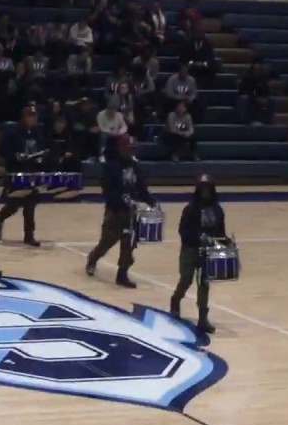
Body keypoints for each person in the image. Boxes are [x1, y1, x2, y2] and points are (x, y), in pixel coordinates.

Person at [85, 136, 157, 288]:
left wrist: (151, 201)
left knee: (129, 244)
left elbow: (141, 187)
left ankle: (122, 274)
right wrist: (119, 200)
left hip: (131, 212)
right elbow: (107, 190)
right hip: (115, 211)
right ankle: (93, 259)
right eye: (128, 149)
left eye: (133, 149)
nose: (131, 152)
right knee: (107, 242)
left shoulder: (135, 166)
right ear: (121, 149)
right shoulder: (111, 166)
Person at [170, 176, 224, 335]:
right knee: (186, 280)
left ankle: (202, 317)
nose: (206, 192)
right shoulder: (190, 209)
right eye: (203, 188)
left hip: (207, 252)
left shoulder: (217, 210)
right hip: (190, 249)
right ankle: (175, 300)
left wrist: (224, 243)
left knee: (204, 283)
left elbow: (221, 232)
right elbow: (183, 231)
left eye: (208, 188)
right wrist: (198, 237)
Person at [0, 106, 46, 246]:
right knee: (14, 204)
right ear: (24, 117)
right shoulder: (12, 132)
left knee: (30, 204)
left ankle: (29, 235)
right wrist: (15, 156)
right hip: (15, 173)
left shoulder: (38, 132)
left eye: (35, 116)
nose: (33, 119)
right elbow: (0, 152)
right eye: (30, 116)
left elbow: (41, 148)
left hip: (31, 173)